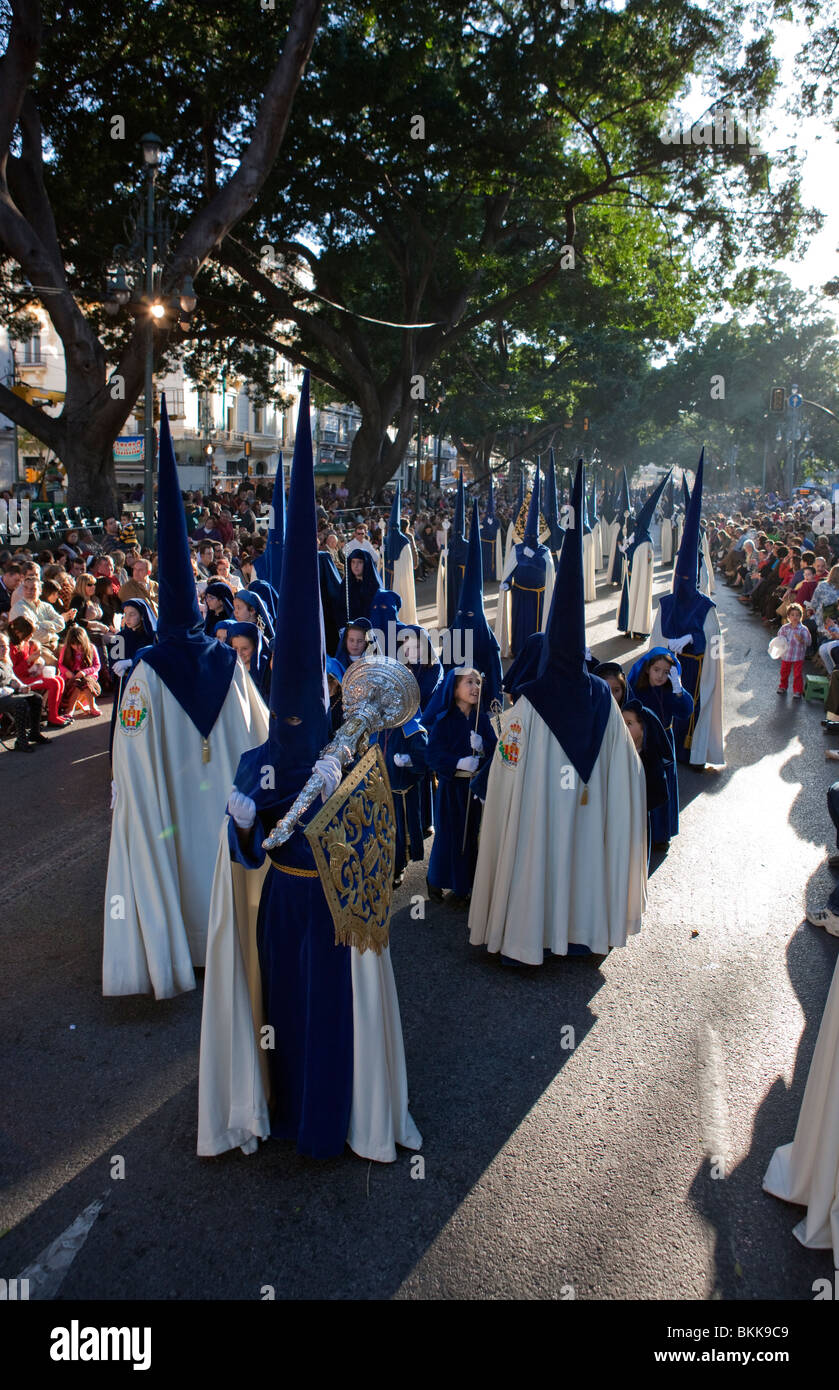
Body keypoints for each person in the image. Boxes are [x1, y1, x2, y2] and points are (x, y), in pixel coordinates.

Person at [198, 371, 422, 1163]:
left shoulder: (351, 756)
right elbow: (244, 847)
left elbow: (379, 848)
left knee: (326, 1014)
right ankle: (278, 1107)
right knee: (277, 1016)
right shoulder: (258, 757)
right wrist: (242, 824)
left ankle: (333, 1113)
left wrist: (340, 800)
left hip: (332, 917)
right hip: (279, 909)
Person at [103, 396, 268, 1001]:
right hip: (224, 812)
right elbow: (259, 734)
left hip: (172, 817)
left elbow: (131, 761)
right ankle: (220, 935)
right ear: (196, 602)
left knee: (170, 848)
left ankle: (174, 941)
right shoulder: (226, 658)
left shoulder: (144, 676)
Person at [469, 460, 648, 964]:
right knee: (580, 853)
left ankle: (527, 936)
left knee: (537, 852)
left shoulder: (530, 701)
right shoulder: (600, 698)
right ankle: (581, 928)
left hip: (539, 808)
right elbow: (628, 774)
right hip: (587, 809)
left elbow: (505, 768)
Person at [650, 450, 725, 769]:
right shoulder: (667, 603)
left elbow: (717, 645)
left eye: (685, 578)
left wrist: (694, 640)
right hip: (668, 667)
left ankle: (693, 752)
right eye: (676, 578)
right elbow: (654, 639)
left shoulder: (706, 607)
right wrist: (663, 651)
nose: (680, 583)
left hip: (696, 670)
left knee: (692, 707)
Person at [425, 667, 496, 908]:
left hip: (473, 788)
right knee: (449, 835)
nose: (475, 687)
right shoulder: (443, 721)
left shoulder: (482, 719)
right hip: (451, 787)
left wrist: (484, 746)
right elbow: (432, 755)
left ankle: (463, 886)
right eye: (469, 682)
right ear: (454, 689)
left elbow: (497, 750)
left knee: (470, 836)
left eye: (478, 682)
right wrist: (457, 762)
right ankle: (436, 879)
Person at [627, 648, 693, 850]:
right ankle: (640, 828)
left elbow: (685, 712)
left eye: (666, 672)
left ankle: (661, 832)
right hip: (642, 743)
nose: (660, 676)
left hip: (664, 739)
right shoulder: (637, 689)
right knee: (643, 783)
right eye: (657, 670)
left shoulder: (670, 691)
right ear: (647, 669)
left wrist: (678, 689)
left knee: (664, 784)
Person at [495, 467, 555, 659]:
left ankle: (535, 651)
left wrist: (535, 558)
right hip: (519, 593)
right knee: (518, 624)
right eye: (526, 535)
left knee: (534, 627)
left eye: (532, 535)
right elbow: (511, 569)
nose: (528, 537)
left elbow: (548, 571)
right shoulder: (517, 549)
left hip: (537, 596)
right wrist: (506, 581)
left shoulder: (544, 552)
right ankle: (518, 649)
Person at [618, 470, 671, 640]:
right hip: (632, 577)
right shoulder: (638, 537)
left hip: (639, 580)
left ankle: (637, 627)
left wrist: (627, 552)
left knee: (638, 601)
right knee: (629, 601)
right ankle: (628, 626)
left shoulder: (646, 542)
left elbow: (638, 559)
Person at [7, 615, 69, 726]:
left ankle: (53, 713)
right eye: (28, 633)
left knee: (59, 679)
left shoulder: (25, 643)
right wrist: (29, 661)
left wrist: (35, 662)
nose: (31, 636)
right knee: (53, 682)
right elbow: (13, 672)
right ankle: (52, 717)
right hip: (18, 680)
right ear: (17, 632)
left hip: (27, 675)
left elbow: (27, 666)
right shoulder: (11, 647)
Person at [0, 629, 51, 751]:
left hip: (9, 693)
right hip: (2, 696)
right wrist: (13, 688)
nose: (5, 649)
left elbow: (13, 677)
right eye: (1, 646)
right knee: (20, 703)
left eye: (6, 645)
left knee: (36, 698)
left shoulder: (6, 661)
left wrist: (21, 686)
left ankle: (34, 733)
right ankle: (21, 740)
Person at [382, 483, 418, 625]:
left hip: (400, 576)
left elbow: (407, 562)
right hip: (389, 574)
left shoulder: (404, 541)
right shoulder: (387, 538)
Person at [57, 625, 102, 717]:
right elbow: (60, 665)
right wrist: (67, 672)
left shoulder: (91, 648)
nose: (77, 647)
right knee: (77, 684)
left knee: (86, 682)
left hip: (88, 675)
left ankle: (92, 707)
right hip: (72, 676)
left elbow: (97, 665)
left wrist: (85, 672)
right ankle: (70, 709)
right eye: (73, 644)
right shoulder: (66, 649)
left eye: (79, 644)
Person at [774, 602, 811, 699]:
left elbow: (809, 642)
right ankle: (783, 686)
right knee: (784, 672)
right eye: (792, 615)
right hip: (787, 655)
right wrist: (779, 648)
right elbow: (779, 639)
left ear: (801, 617)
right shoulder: (785, 628)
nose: (795, 617)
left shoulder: (803, 629)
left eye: (797, 615)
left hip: (798, 655)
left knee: (797, 674)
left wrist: (802, 640)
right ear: (788, 616)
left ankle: (797, 690)